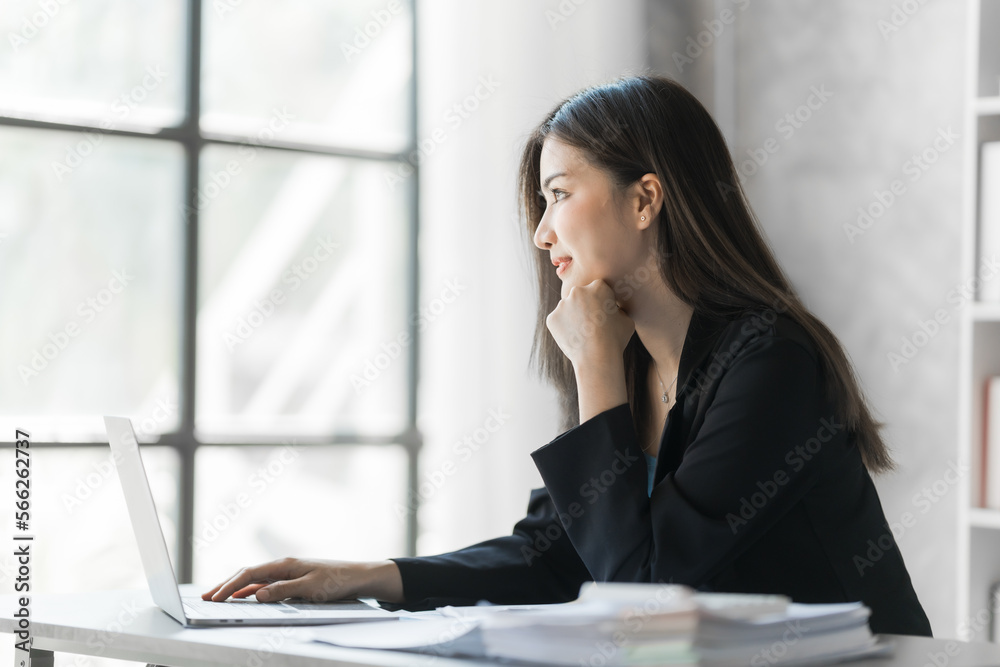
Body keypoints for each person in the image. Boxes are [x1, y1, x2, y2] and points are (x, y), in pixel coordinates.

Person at [202, 74, 932, 637]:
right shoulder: (632, 358)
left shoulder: (771, 362)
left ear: (645, 200)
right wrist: (365, 575)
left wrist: (594, 370)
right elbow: (556, 554)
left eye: (558, 195)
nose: (542, 233)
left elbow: (642, 583)